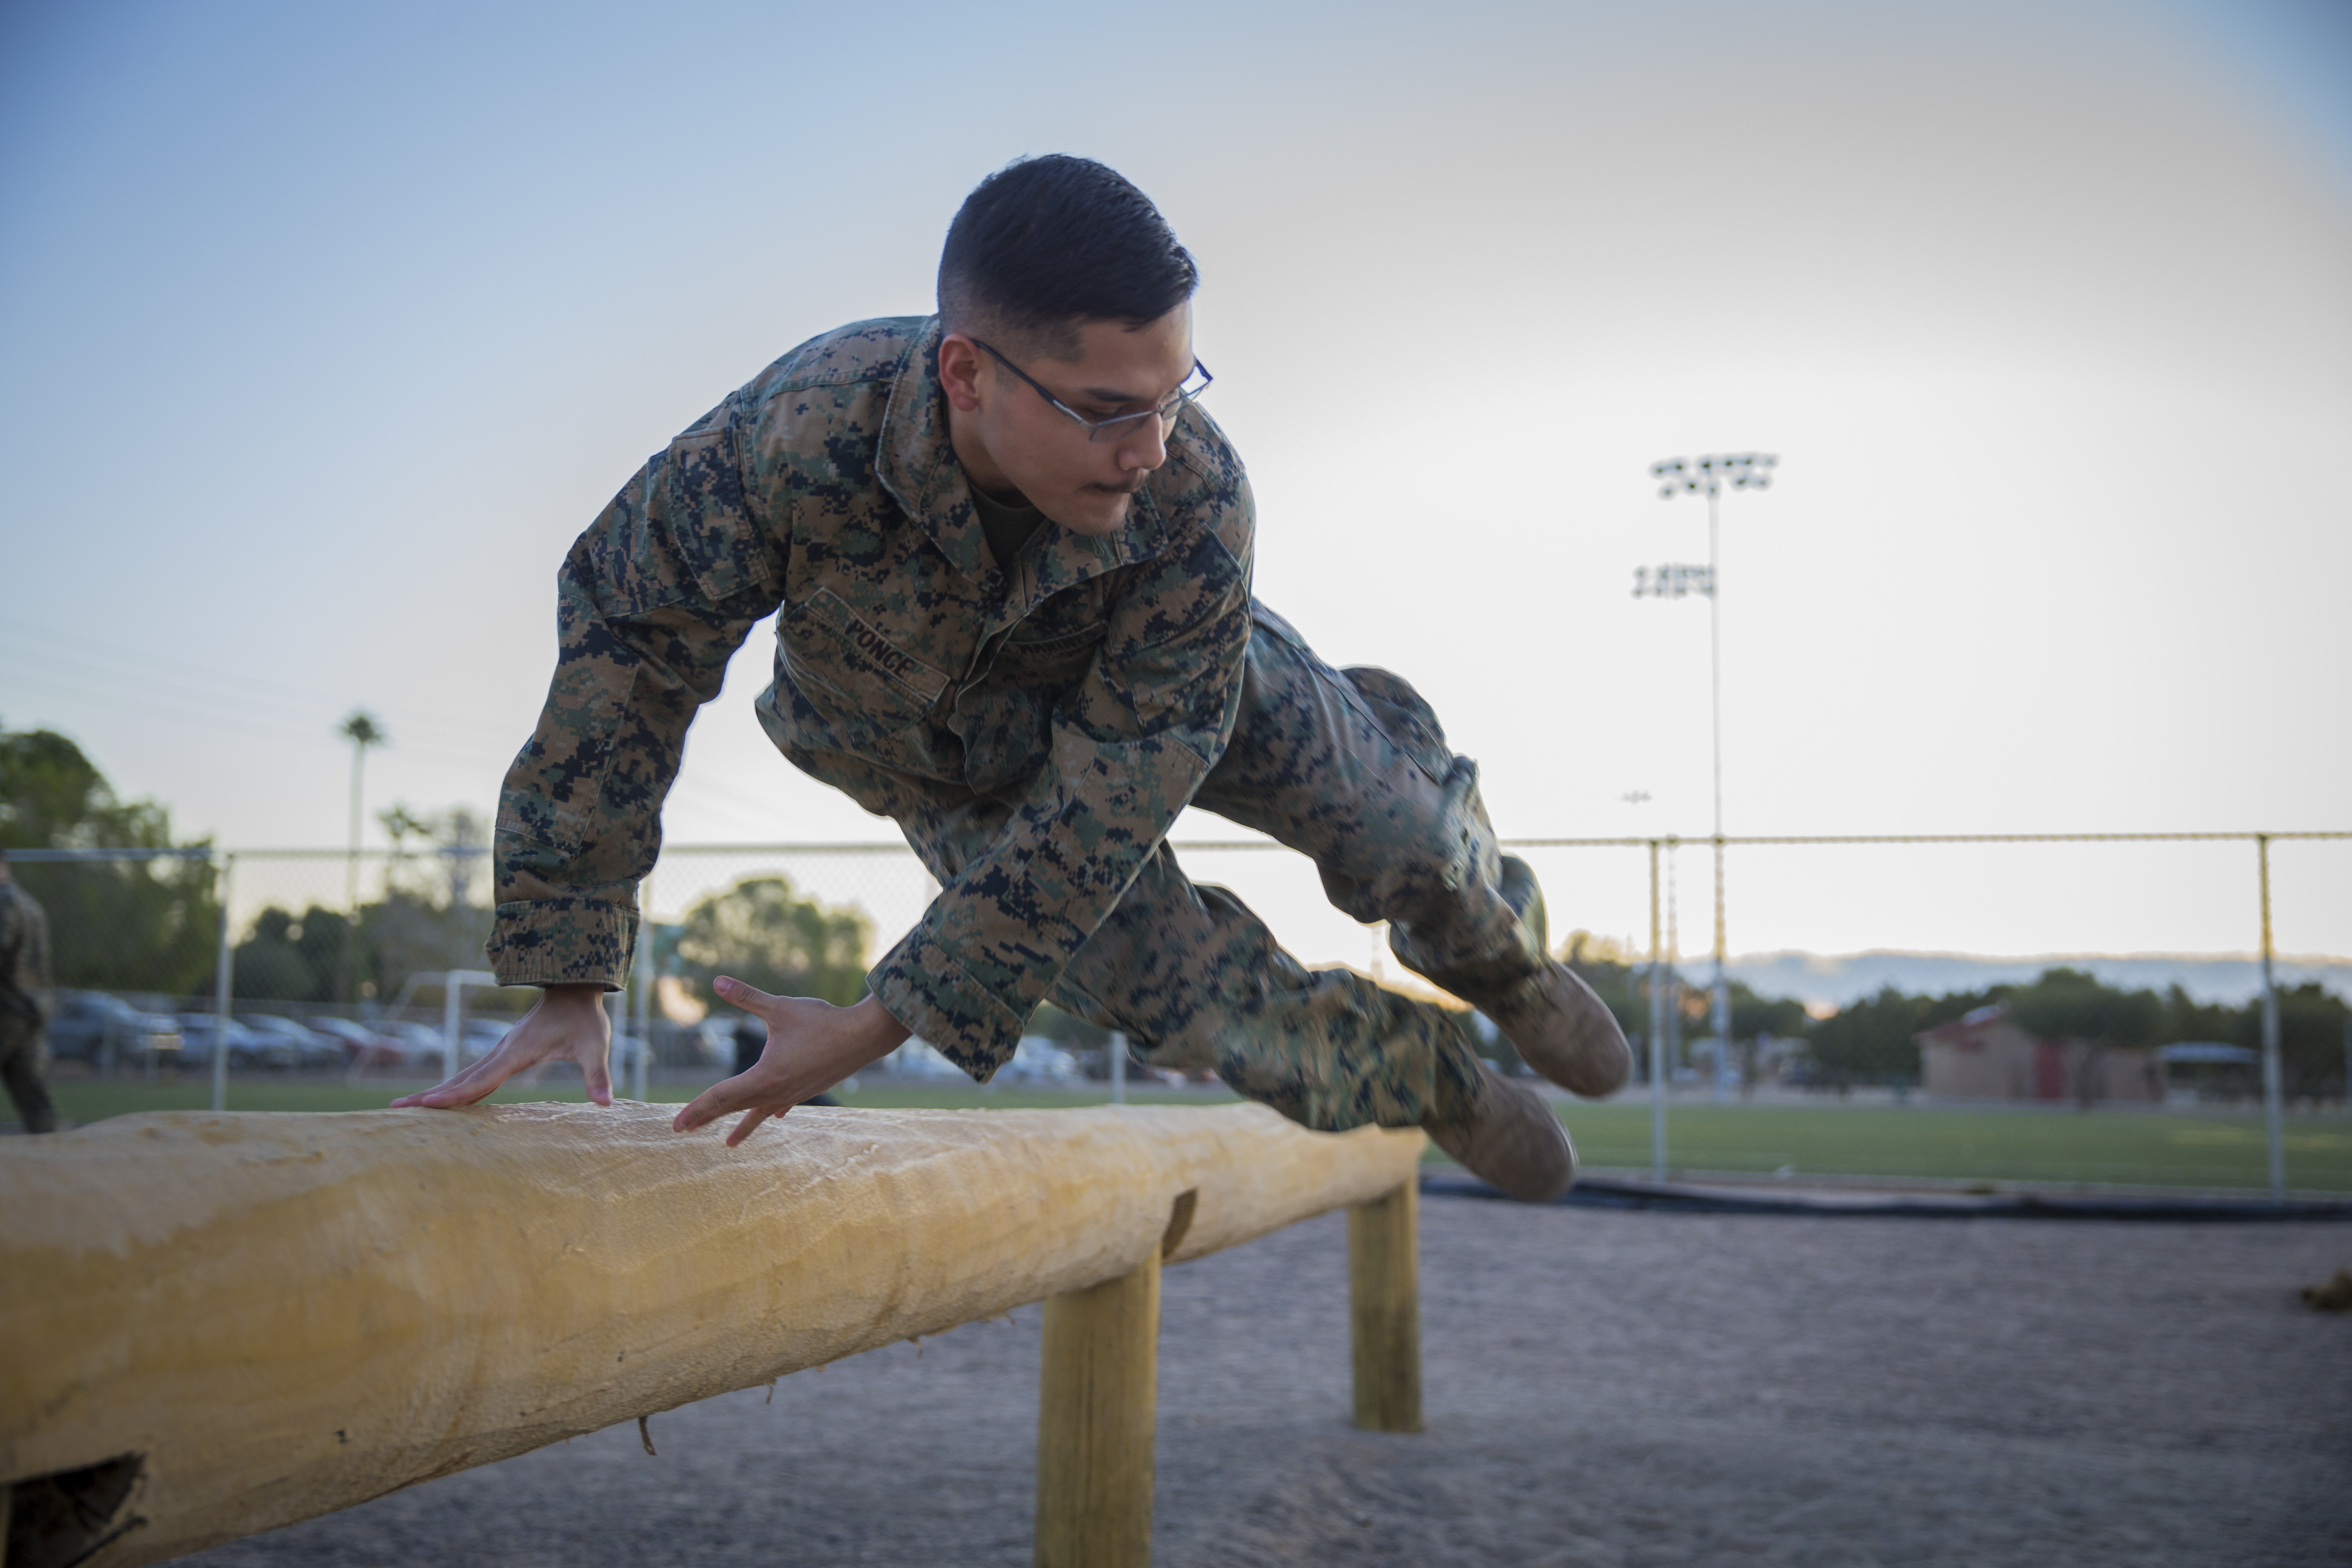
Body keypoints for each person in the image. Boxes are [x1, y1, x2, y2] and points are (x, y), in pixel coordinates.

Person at [396, 156, 1629, 1200]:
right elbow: (631, 632)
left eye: (1172, 396)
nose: (1150, 449)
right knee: (1192, 1009)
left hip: (1180, 691)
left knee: (1402, 830)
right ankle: (1438, 1081)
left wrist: (881, 1020)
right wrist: (572, 964)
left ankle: (1504, 961)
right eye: (1105, 410)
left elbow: (1123, 783)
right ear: (968, 375)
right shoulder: (799, 436)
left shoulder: (1193, 492)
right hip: (947, 766)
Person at [0, 848, 60, 1135]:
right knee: (35, 1102)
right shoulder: (30, 905)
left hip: (5, 1009)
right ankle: (55, 1167)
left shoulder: (3, 904)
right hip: (32, 1009)